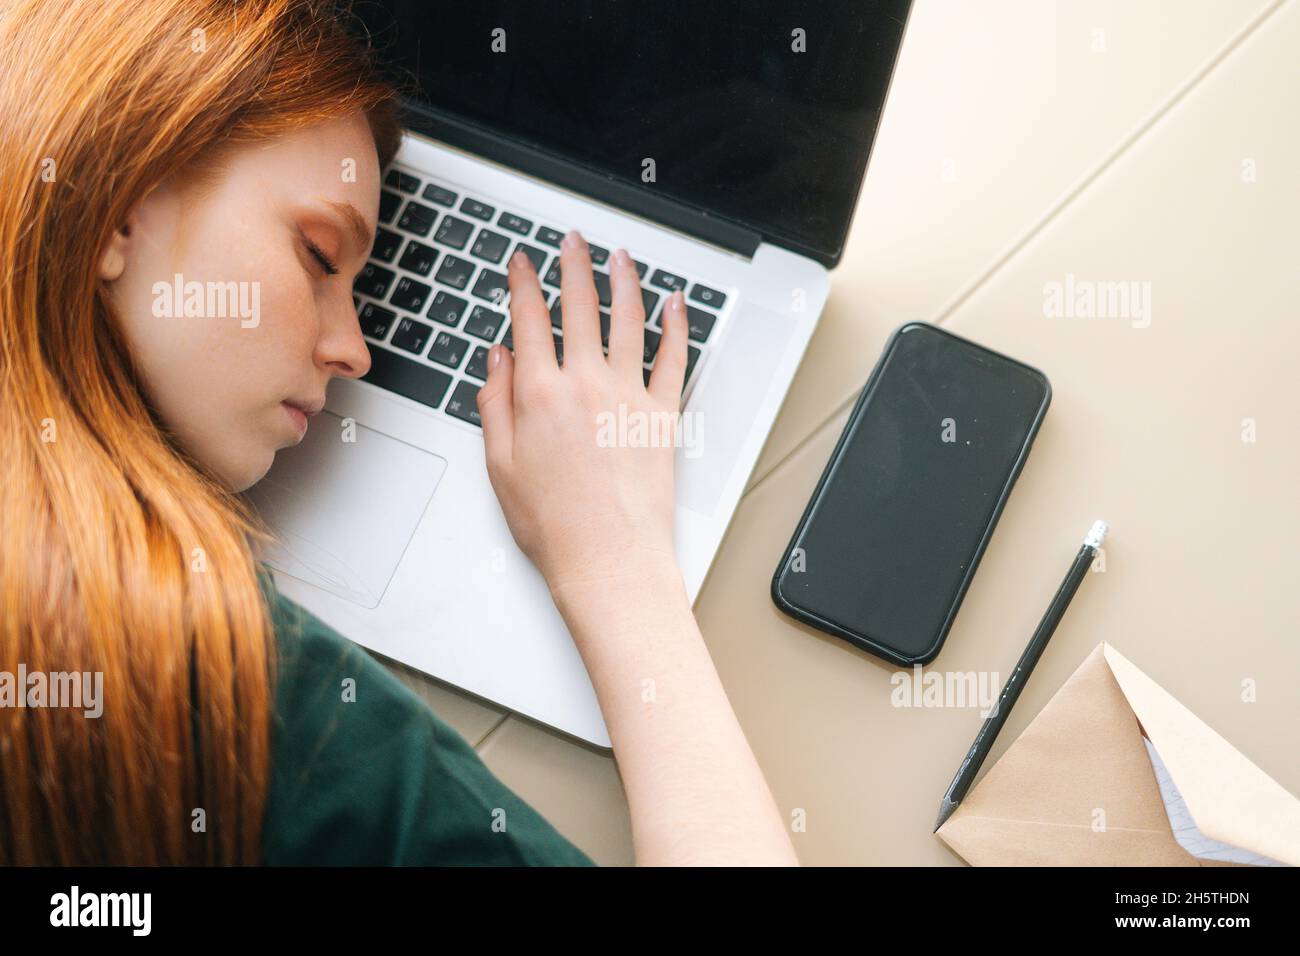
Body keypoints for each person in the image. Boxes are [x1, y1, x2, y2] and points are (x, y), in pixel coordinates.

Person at [0, 0, 797, 866]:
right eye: (318, 254)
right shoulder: (224, 688)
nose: (355, 353)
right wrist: (619, 565)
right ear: (119, 206)